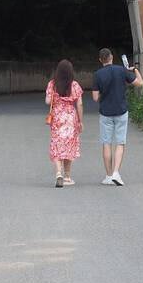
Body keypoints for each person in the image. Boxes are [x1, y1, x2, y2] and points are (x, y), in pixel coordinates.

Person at [92, 48, 142, 186]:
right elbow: (140, 83)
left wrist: (103, 95)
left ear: (100, 60)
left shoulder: (97, 74)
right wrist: (135, 70)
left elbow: (95, 97)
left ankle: (108, 176)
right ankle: (116, 173)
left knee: (106, 143)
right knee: (120, 143)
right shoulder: (122, 70)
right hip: (121, 111)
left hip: (105, 113)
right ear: (112, 57)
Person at [45, 59, 84, 188]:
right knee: (69, 145)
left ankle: (58, 174)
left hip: (57, 117)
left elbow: (47, 101)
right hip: (70, 117)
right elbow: (79, 103)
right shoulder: (75, 85)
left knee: (57, 144)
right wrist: (80, 121)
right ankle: (67, 177)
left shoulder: (52, 84)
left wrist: (53, 99)